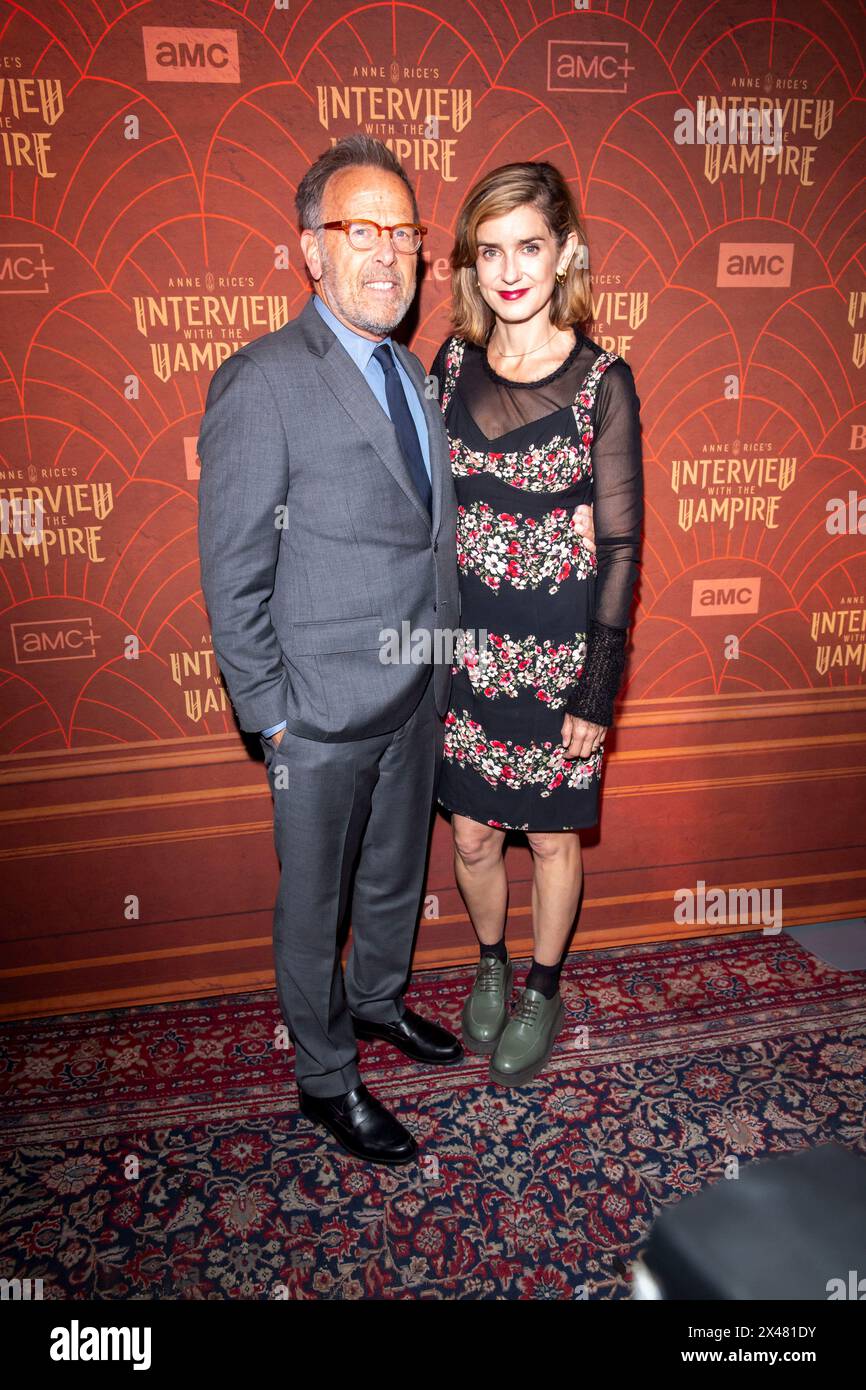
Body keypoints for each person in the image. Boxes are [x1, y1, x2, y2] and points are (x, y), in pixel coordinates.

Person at [197, 136, 469, 1167]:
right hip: (313, 710)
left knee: (395, 876)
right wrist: (270, 714)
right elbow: (231, 567)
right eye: (363, 231)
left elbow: (424, 532)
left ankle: (379, 1003)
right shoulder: (260, 380)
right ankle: (323, 1078)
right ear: (310, 249)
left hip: (413, 690)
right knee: (312, 905)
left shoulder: (413, 371)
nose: (389, 255)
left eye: (404, 234)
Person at [429, 161, 644, 1087]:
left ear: (564, 254)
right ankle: (491, 962)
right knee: (472, 836)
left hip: (563, 658)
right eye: (490, 250)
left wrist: (599, 686)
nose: (510, 269)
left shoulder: (603, 383)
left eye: (529, 246)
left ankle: (545, 988)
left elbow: (624, 545)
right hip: (469, 653)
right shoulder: (449, 365)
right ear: (471, 263)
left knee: (552, 838)